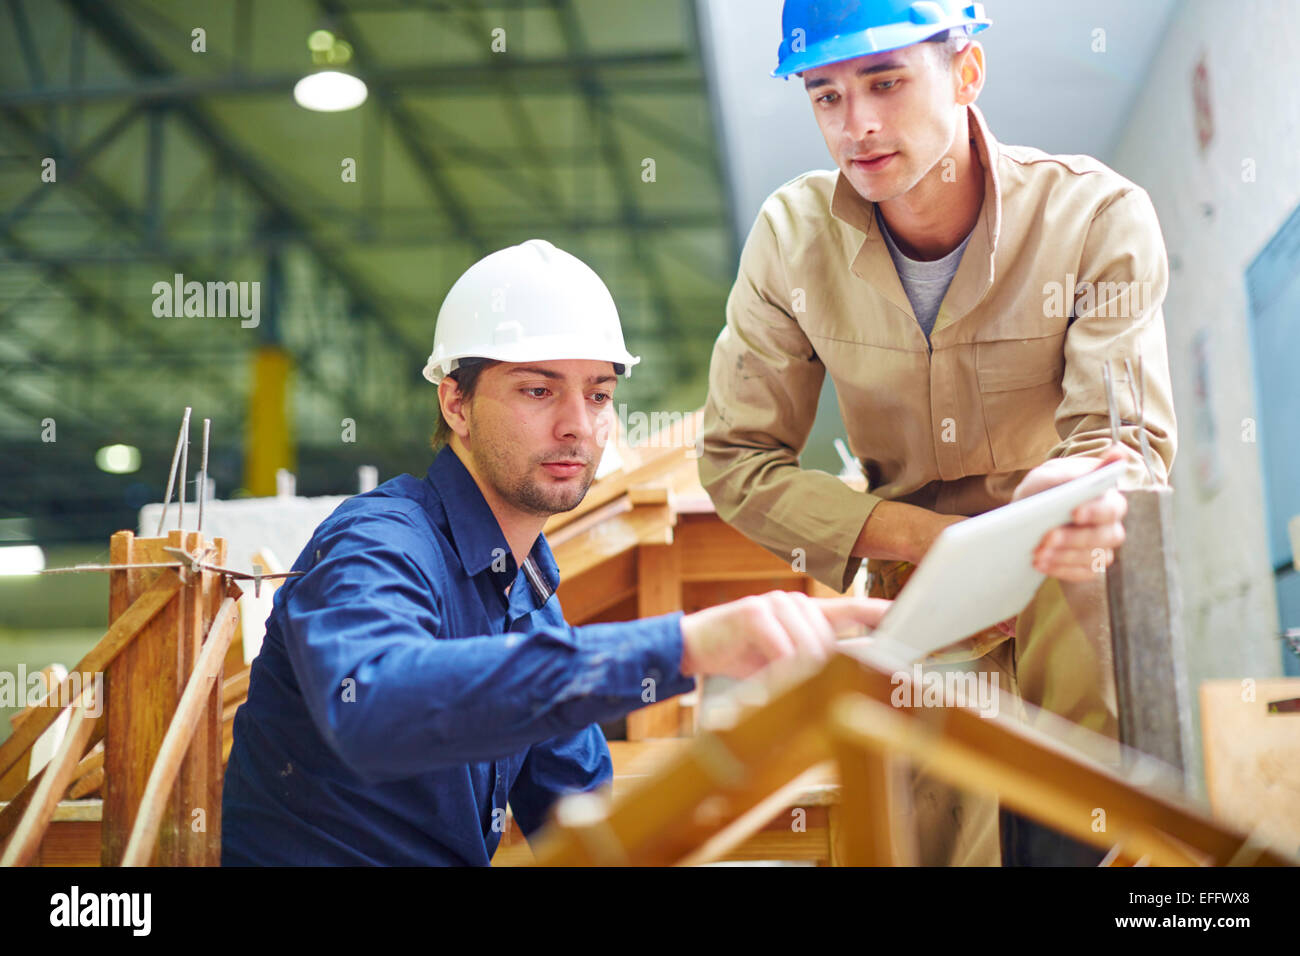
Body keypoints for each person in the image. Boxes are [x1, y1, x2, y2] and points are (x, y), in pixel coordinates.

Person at [220, 239, 888, 866]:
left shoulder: (526, 599)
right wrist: (686, 646)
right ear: (455, 401)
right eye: (538, 390)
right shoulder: (378, 542)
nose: (577, 424)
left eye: (598, 393)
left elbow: (586, 813)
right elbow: (373, 703)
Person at [698, 0, 1176, 865]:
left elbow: (1128, 446)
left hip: (1068, 580)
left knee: (1086, 836)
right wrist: (934, 541)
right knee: (914, 841)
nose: (858, 125)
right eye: (827, 96)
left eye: (885, 81)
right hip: (911, 599)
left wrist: (1063, 496)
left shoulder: (1096, 218)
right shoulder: (789, 242)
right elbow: (734, 461)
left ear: (966, 72)